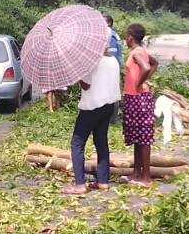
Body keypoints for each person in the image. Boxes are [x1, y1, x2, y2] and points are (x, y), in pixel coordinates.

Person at [63, 46, 122, 195]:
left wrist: (76, 73)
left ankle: (80, 185)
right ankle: (103, 181)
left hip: (92, 107)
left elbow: (86, 85)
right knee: (101, 142)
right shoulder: (113, 60)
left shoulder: (91, 62)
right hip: (108, 105)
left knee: (77, 143)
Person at [121, 23, 158, 185]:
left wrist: (140, 82)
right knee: (137, 136)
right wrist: (144, 80)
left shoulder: (136, 53)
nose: (125, 39)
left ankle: (146, 177)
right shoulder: (142, 51)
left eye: (126, 36)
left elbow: (145, 67)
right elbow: (154, 63)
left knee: (143, 137)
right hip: (133, 97)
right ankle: (136, 173)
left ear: (130, 37)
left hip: (138, 98)